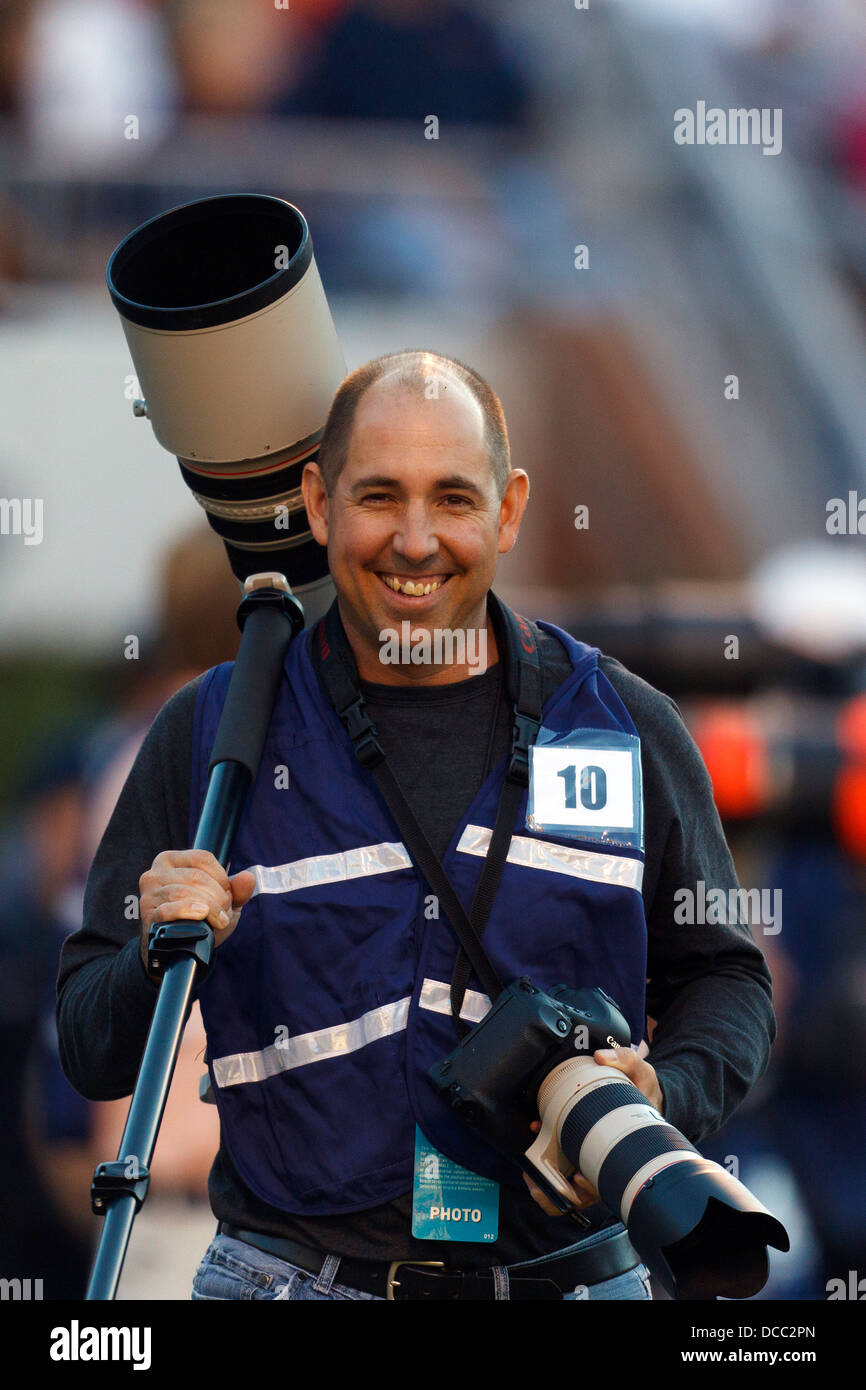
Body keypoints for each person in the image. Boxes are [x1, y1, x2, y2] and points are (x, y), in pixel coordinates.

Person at [57, 349, 775, 1301]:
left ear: (509, 509)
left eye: (453, 499)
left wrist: (662, 1094)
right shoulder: (214, 732)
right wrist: (153, 948)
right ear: (318, 504)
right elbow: (90, 1047)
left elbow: (727, 978)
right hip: (288, 1277)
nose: (414, 538)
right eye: (379, 496)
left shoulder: (623, 725)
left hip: (575, 1281)